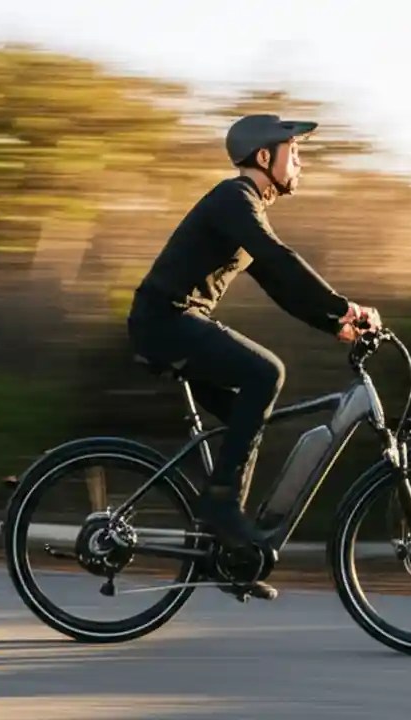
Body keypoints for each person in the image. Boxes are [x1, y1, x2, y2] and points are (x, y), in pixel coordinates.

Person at [126, 114, 380, 598]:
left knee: (250, 415)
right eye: (294, 153)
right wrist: (346, 306)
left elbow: (279, 285)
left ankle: (227, 552)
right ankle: (221, 510)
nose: (300, 163)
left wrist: (334, 325)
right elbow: (279, 258)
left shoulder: (245, 209)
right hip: (165, 322)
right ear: (265, 157)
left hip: (174, 323)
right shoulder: (233, 199)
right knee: (267, 372)